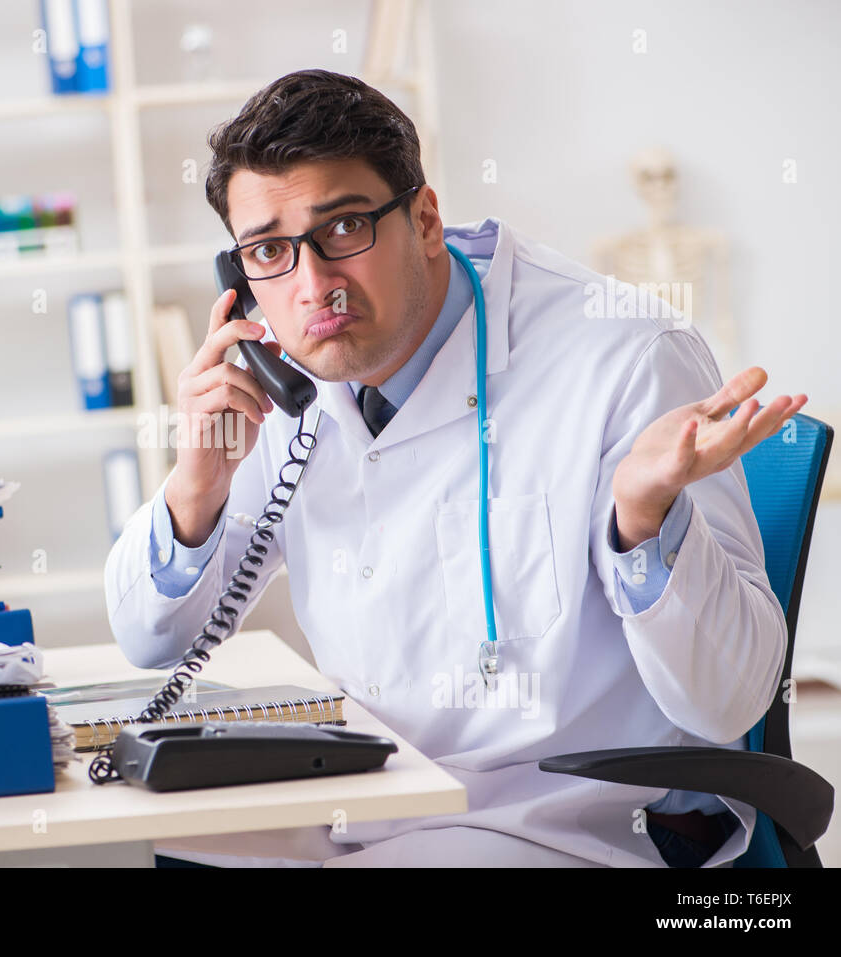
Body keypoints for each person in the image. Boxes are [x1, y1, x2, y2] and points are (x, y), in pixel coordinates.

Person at [103, 70, 807, 867]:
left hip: (566, 820)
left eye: (343, 229)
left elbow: (732, 698)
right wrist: (197, 481)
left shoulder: (625, 357)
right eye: (269, 251)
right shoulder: (284, 386)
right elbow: (148, 638)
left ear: (427, 219)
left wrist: (644, 522)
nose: (313, 286)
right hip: (366, 792)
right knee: (148, 853)